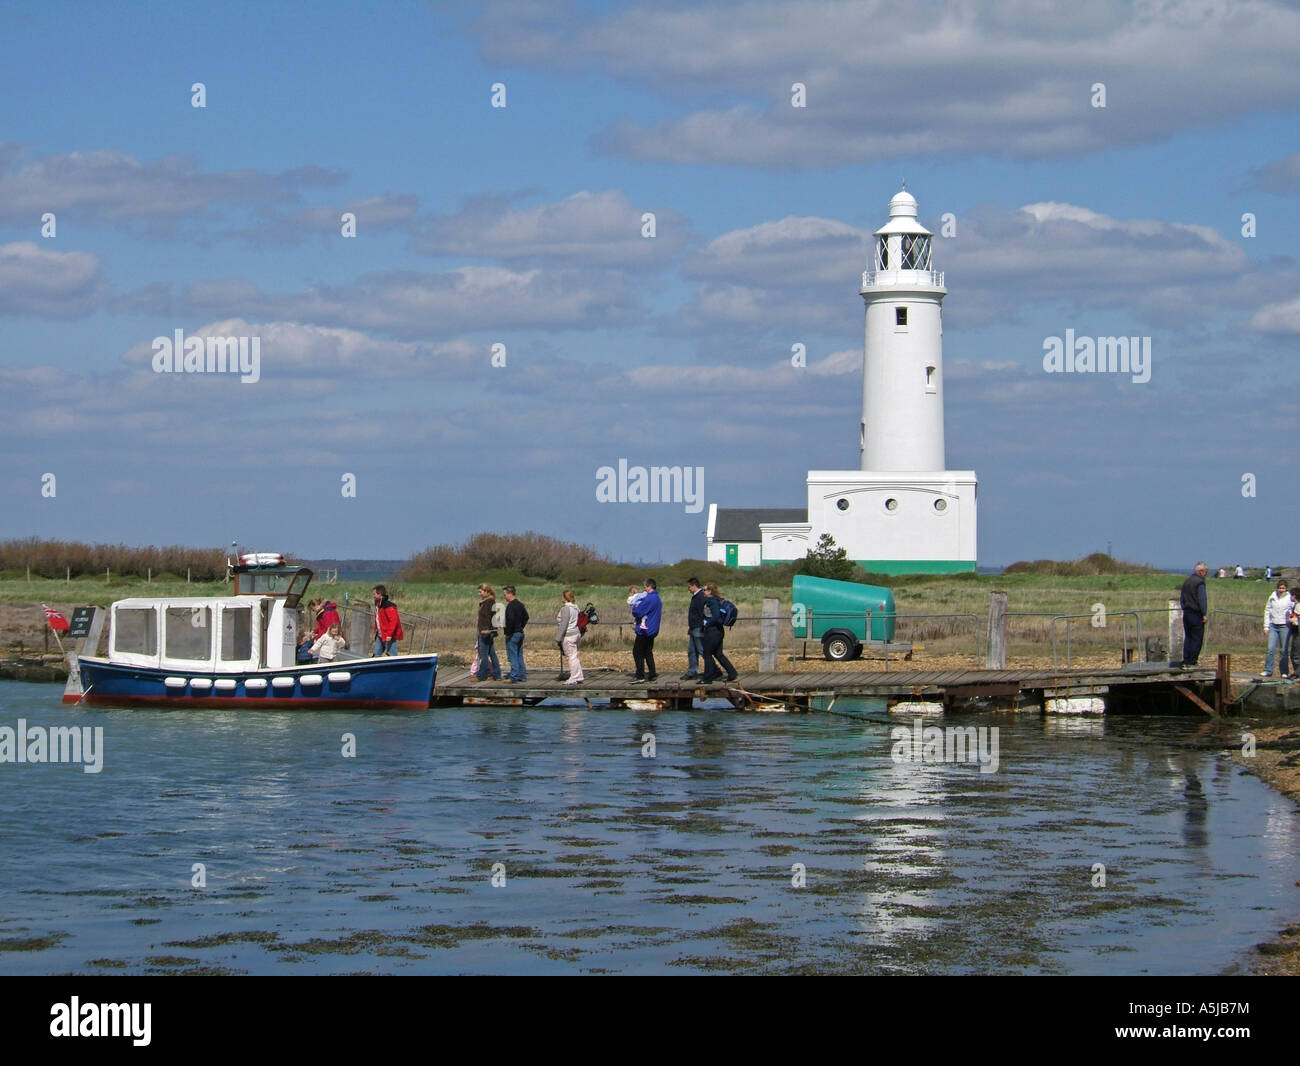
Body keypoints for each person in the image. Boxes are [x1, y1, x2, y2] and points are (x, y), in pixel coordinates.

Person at [699, 581, 738, 683]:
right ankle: (732, 673)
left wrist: (706, 623)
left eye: (704, 590)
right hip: (719, 631)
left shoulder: (711, 601)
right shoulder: (717, 599)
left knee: (707, 653)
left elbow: (716, 615)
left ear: (710, 591)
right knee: (718, 653)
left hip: (713, 631)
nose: (703, 591)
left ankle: (707, 678)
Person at [630, 578, 661, 682]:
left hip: (645, 630)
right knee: (648, 651)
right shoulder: (657, 598)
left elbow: (638, 611)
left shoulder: (650, 598)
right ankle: (652, 673)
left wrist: (634, 608)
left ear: (649, 586)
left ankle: (640, 675)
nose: (644, 590)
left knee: (637, 651)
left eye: (645, 587)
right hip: (653, 629)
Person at [1179, 562, 1208, 667]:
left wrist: (1184, 608)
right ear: (1201, 572)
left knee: (1188, 637)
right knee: (1197, 638)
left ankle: (1186, 660)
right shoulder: (1199, 583)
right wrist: (1204, 613)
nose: (1206, 575)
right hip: (1196, 613)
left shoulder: (1187, 581)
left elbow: (1182, 598)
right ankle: (1192, 661)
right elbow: (1202, 599)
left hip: (1186, 613)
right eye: (1206, 572)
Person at [1262, 579, 1290, 678]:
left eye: (1283, 588)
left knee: (1283, 650)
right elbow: (1267, 610)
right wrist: (1266, 626)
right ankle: (1268, 670)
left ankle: (1284, 671)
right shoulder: (1272, 596)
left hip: (1284, 626)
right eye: (1279, 588)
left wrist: (1290, 620)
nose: (1281, 590)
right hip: (1273, 625)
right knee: (1270, 649)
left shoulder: (1289, 597)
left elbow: (1292, 610)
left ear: (1286, 588)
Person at [475, 583, 501, 681]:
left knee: (484, 654)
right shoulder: (490, 601)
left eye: (480, 592)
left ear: (486, 591)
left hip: (485, 631)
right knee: (492, 653)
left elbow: (487, 617)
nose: (479, 594)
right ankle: (497, 674)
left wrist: (485, 631)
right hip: (489, 631)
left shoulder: (488, 602)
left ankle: (481, 675)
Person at [556, 589, 583, 684]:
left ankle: (574, 677)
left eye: (562, 596)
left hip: (569, 635)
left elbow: (564, 624)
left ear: (565, 598)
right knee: (574, 655)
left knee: (571, 656)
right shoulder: (576, 608)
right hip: (576, 633)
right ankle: (578, 676)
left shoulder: (566, 608)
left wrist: (558, 638)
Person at [502, 585, 529, 682]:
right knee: (519, 655)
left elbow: (510, 621)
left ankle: (514, 676)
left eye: (505, 594)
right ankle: (522, 675)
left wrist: (508, 633)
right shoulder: (520, 604)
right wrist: (521, 627)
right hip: (520, 633)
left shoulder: (510, 606)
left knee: (513, 655)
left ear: (510, 594)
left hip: (513, 634)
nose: (504, 597)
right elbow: (526, 617)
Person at [681, 577, 705, 680]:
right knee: (692, 650)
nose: (688, 589)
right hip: (693, 627)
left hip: (698, 628)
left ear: (694, 586)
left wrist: (702, 628)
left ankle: (714, 670)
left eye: (689, 587)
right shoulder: (695, 596)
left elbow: (701, 613)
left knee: (701, 650)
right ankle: (692, 671)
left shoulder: (700, 596)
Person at [371, 585, 403, 656]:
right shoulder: (377, 605)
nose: (373, 596)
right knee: (375, 655)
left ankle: (396, 666)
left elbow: (394, 621)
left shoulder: (388, 606)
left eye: (374, 594)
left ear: (379, 594)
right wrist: (376, 630)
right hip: (380, 635)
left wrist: (389, 634)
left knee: (392, 655)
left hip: (388, 635)